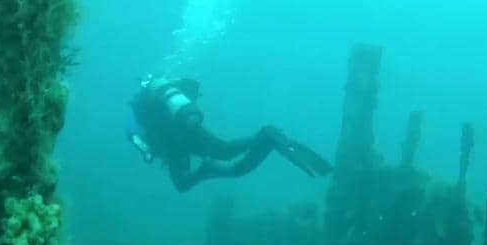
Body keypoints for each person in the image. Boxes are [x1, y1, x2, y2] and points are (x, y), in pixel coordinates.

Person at [127, 75, 333, 192]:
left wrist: (146, 149)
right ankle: (264, 138)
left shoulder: (140, 107)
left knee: (184, 183)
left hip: (175, 143)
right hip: (186, 132)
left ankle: (262, 138)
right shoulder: (161, 97)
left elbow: (136, 138)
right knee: (225, 153)